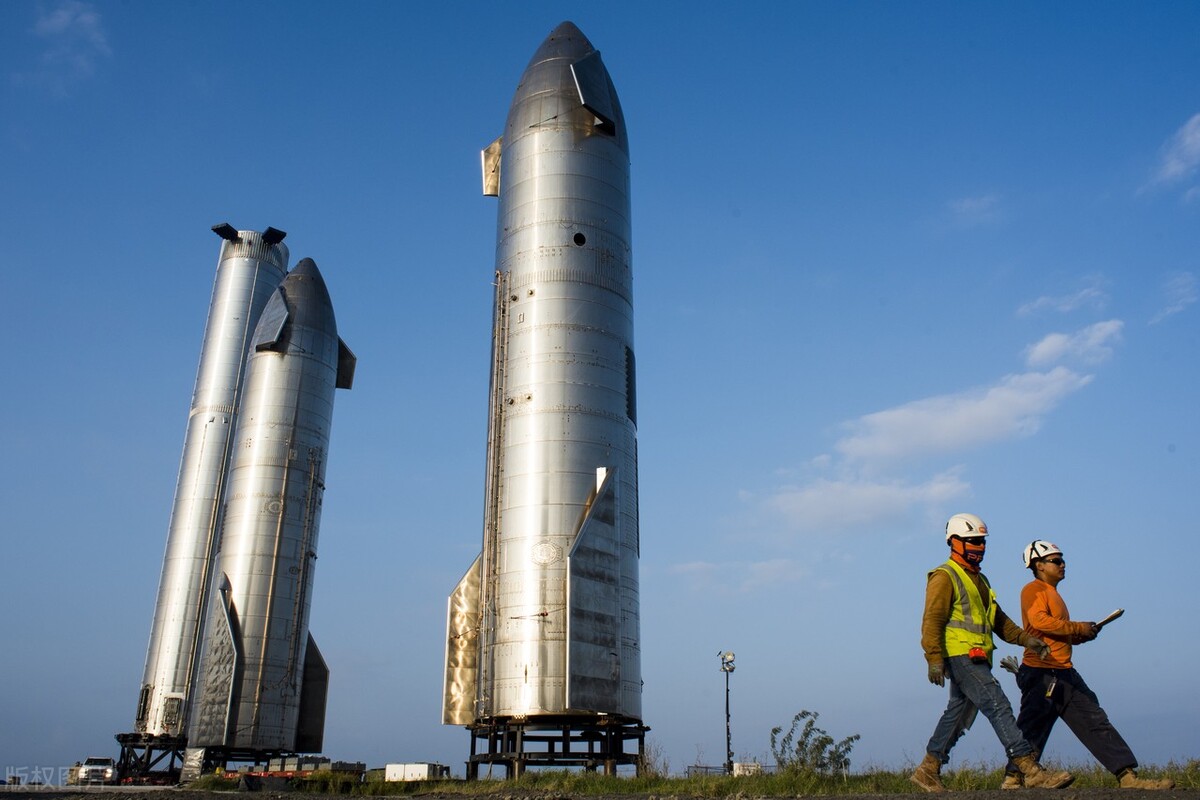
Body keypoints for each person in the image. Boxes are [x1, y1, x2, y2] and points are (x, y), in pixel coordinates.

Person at [912, 513, 1074, 792]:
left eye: (982, 541)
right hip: (960, 654)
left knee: (958, 712)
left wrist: (1027, 640)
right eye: (973, 541)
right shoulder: (944, 576)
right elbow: (932, 619)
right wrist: (934, 658)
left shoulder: (981, 580)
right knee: (997, 703)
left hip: (978, 655)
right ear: (954, 542)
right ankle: (1029, 768)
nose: (980, 547)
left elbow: (998, 620)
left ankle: (929, 769)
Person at [999, 540, 1174, 790]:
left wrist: (1079, 636)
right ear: (1039, 565)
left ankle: (1128, 777)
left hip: (1063, 670)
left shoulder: (1053, 594)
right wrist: (1078, 627)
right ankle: (1014, 779)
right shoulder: (1033, 589)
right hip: (1041, 671)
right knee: (1032, 724)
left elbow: (1053, 631)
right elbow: (1040, 623)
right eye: (1056, 561)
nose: (1063, 564)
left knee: (1094, 719)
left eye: (1062, 560)